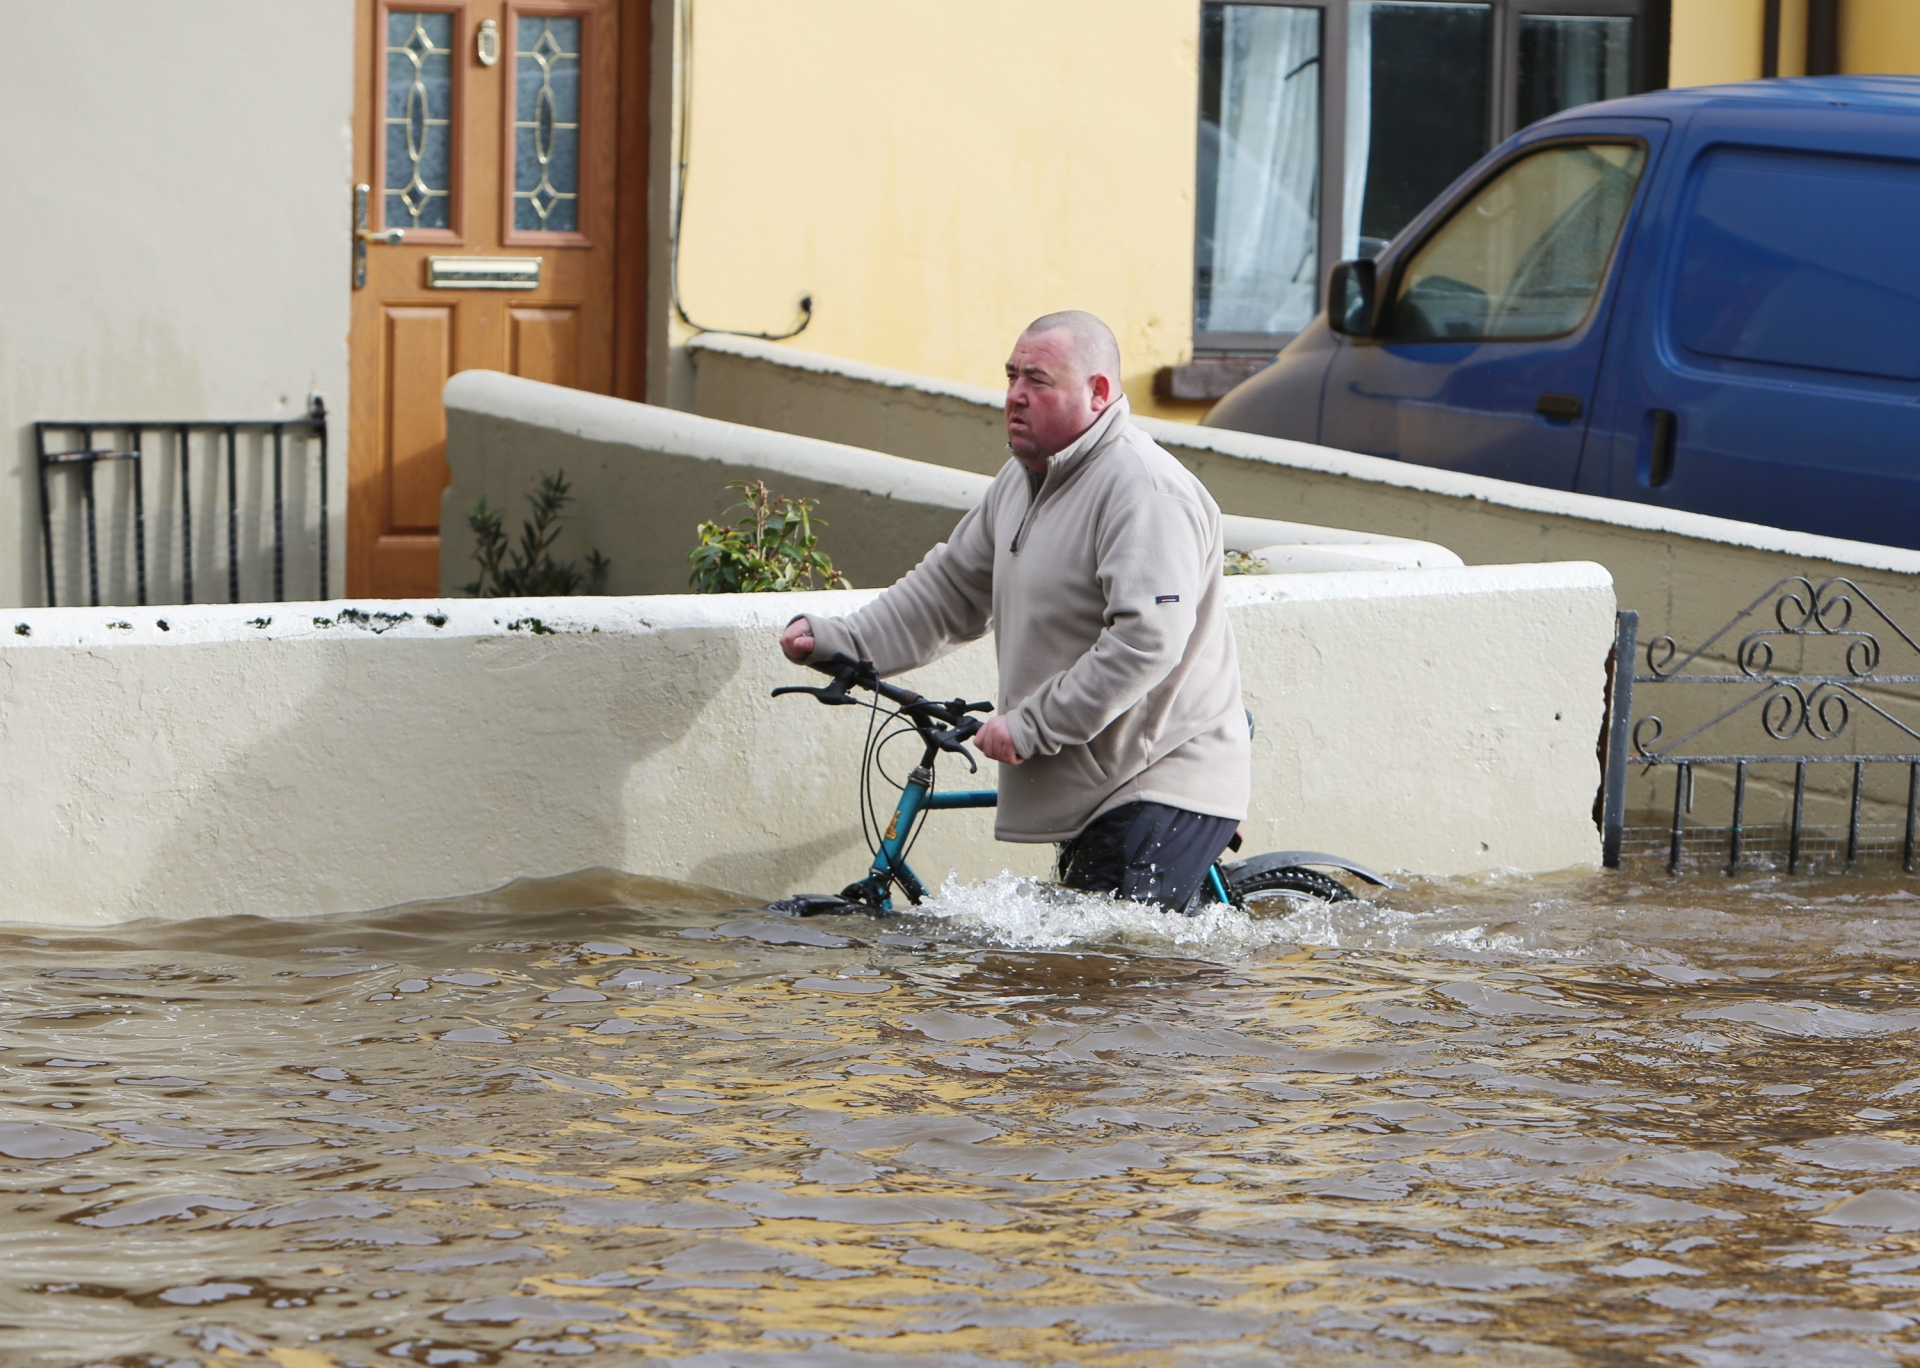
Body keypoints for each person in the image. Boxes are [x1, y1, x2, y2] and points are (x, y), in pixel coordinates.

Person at [779, 311, 1250, 913]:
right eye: (1011, 377)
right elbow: (950, 591)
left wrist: (1031, 725)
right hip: (1096, 778)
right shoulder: (1021, 481)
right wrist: (836, 641)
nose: (1014, 397)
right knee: (1062, 975)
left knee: (1112, 983)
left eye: (1038, 381)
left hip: (1157, 776)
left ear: (1098, 393)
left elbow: (1146, 641)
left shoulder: (1145, 490)